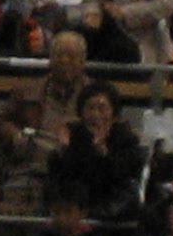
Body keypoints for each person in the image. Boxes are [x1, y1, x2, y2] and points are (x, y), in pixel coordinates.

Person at [0, 30, 90, 214]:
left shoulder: (95, 96)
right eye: (60, 55)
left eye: (72, 56)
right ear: (51, 59)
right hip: (31, 167)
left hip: (79, 172)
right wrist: (15, 135)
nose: (65, 61)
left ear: (83, 62)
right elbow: (1, 121)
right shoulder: (26, 91)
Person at [46, 80, 147, 224]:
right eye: (90, 108)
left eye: (102, 108)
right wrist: (64, 150)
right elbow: (64, 175)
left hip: (112, 205)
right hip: (78, 202)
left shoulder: (126, 140)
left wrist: (104, 155)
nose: (95, 115)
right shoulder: (72, 135)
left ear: (114, 114)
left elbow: (125, 176)